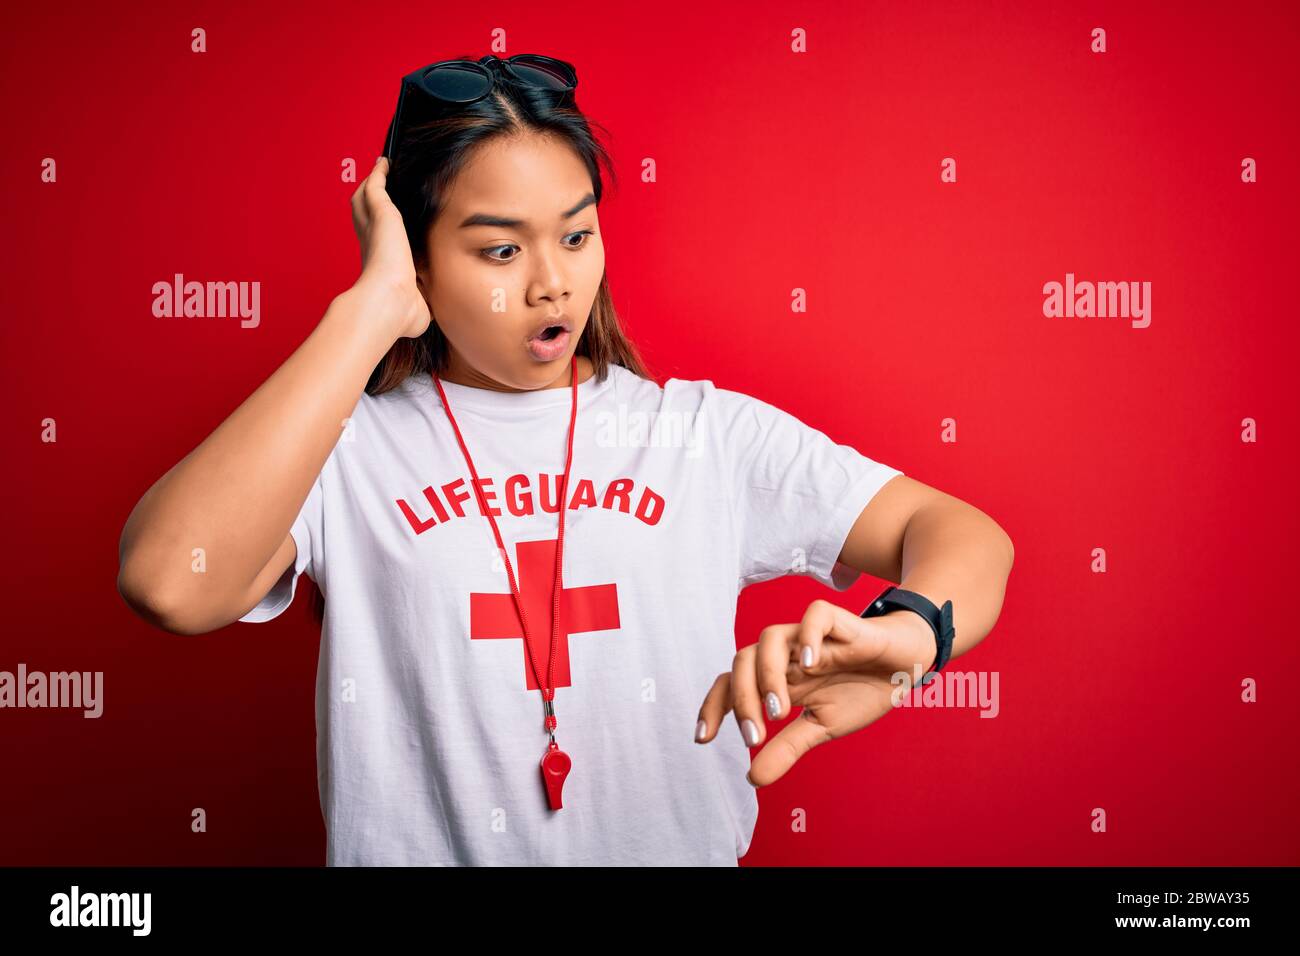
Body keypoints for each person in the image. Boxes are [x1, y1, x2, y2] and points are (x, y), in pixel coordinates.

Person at [116, 53, 1014, 866]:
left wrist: (910, 634)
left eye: (577, 235)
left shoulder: (700, 435)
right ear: (416, 257)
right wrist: (367, 310)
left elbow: (964, 536)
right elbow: (169, 582)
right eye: (500, 250)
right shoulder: (342, 446)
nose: (552, 281)